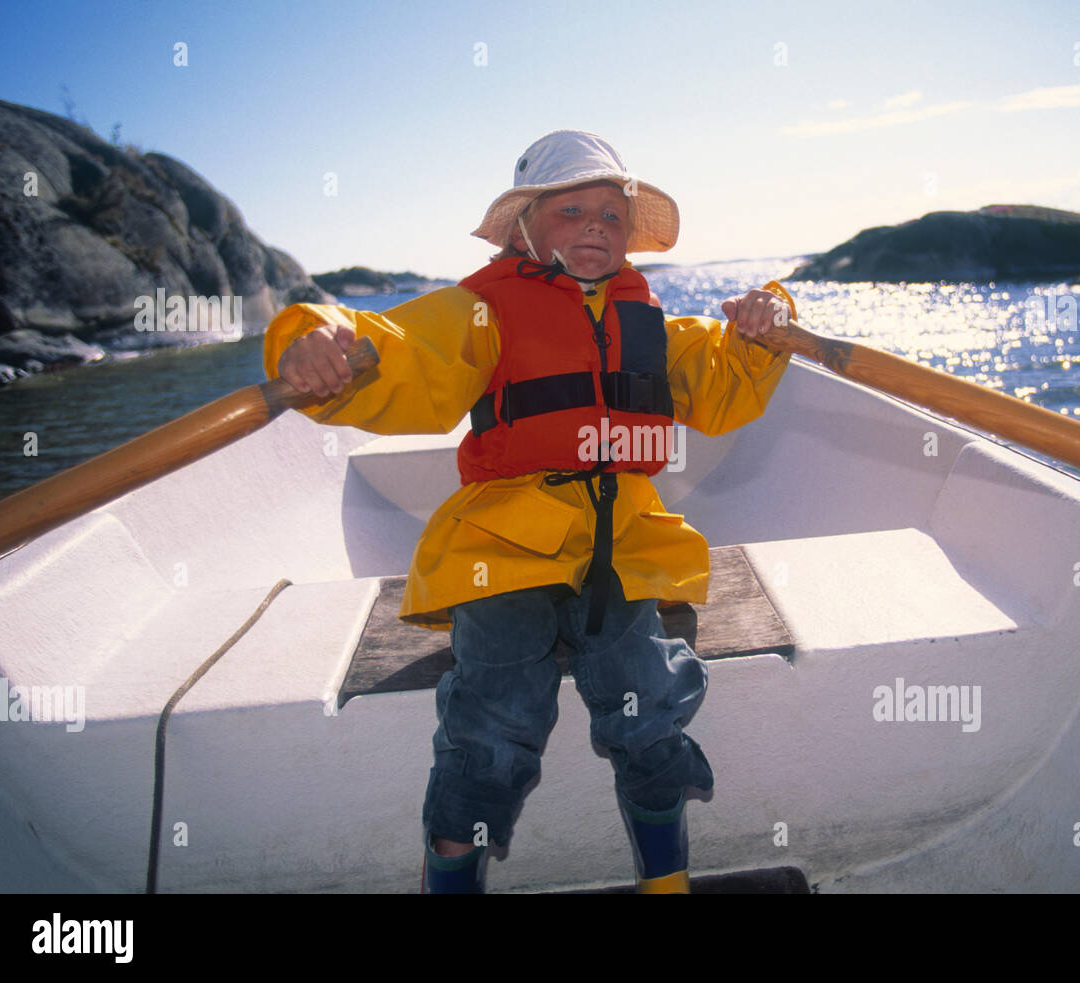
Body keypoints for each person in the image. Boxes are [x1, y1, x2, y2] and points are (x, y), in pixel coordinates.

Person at [264, 130, 795, 893]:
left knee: (647, 707)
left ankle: (666, 883)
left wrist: (762, 323)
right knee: (495, 723)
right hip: (503, 546)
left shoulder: (647, 318)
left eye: (612, 216)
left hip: (617, 542)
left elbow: (722, 382)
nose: (593, 226)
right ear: (524, 229)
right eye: (570, 208)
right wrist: (324, 341)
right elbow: (405, 349)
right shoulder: (482, 311)